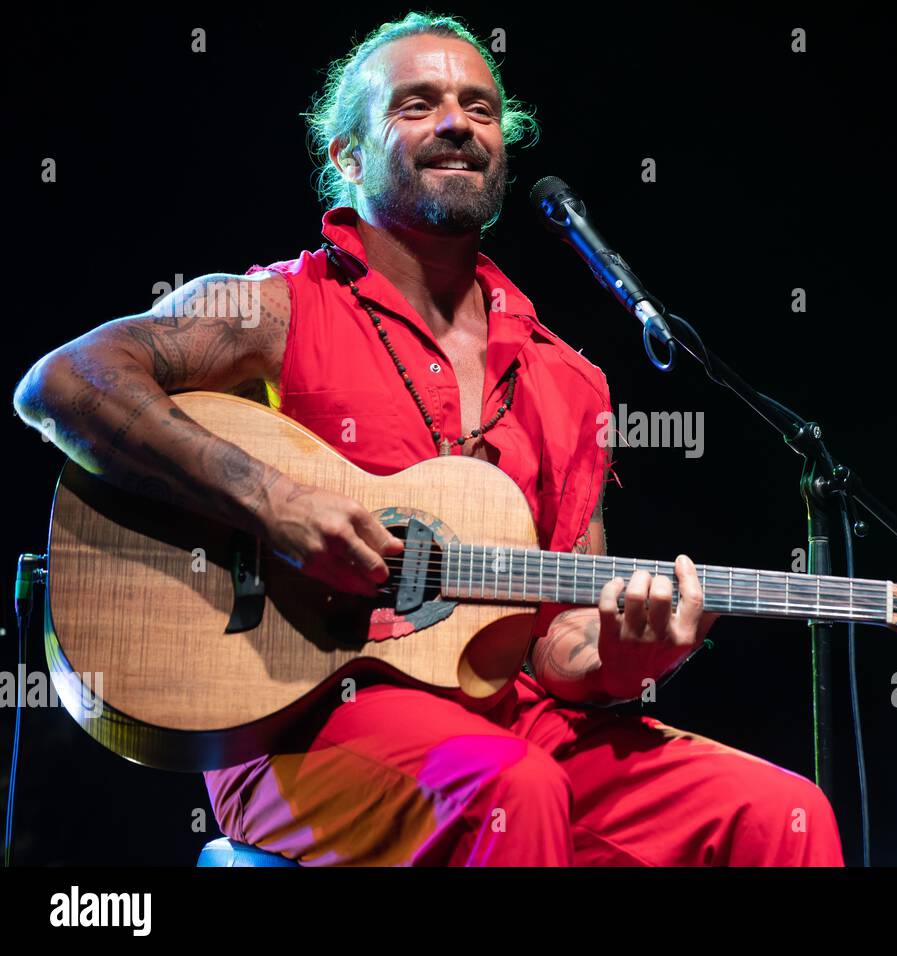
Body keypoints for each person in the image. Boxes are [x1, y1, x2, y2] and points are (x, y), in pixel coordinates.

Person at [14, 13, 843, 866]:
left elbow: (560, 643)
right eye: (418, 104)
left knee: (781, 811)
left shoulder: (569, 380)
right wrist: (275, 503)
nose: (457, 121)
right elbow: (64, 385)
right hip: (303, 723)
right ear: (346, 157)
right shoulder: (275, 308)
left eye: (479, 108)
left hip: (520, 727)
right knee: (511, 788)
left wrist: (625, 660)